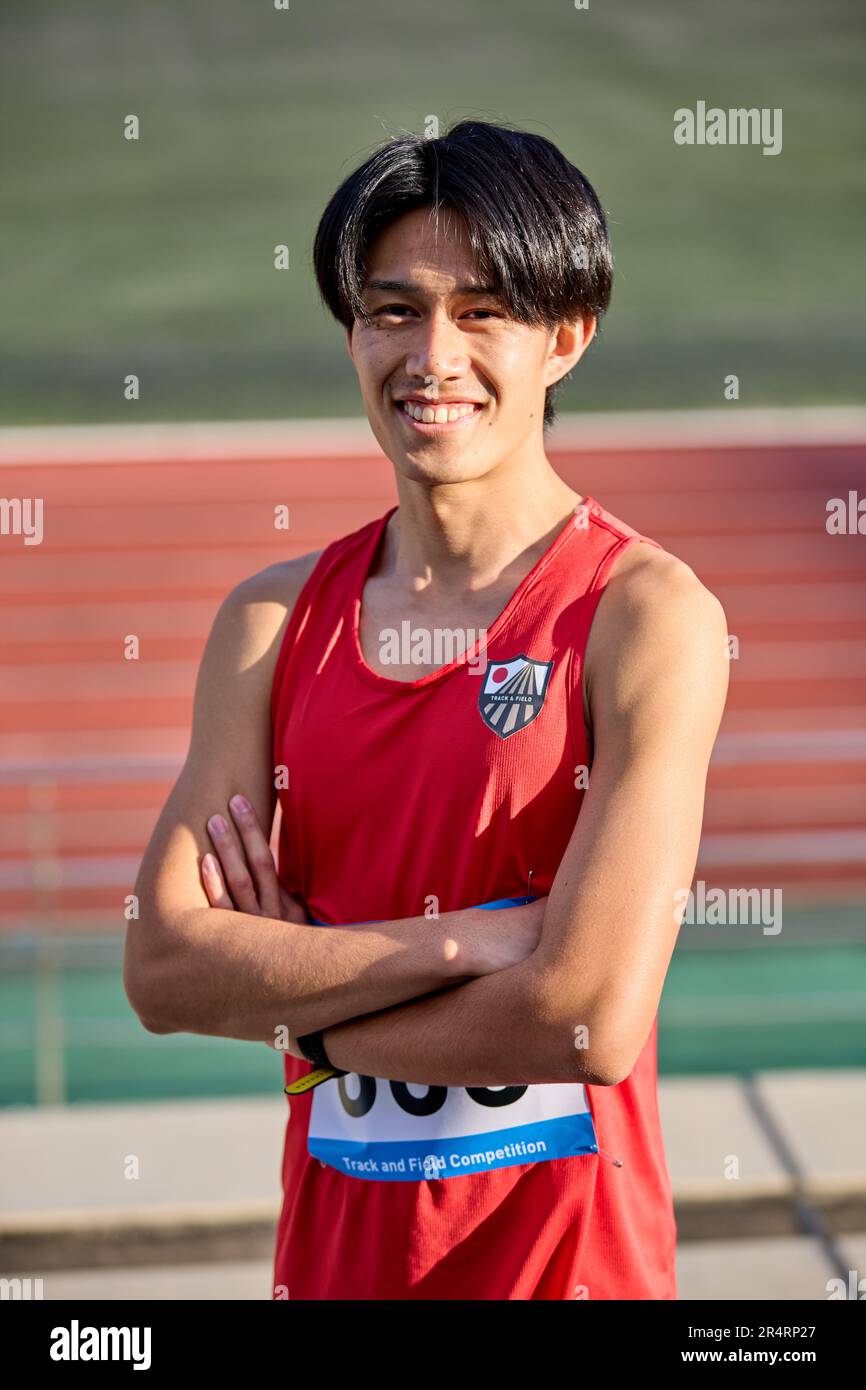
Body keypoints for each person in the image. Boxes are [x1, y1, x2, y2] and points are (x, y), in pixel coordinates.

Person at [125, 120, 729, 1300]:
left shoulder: (640, 614)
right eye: (392, 310)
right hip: (333, 1269)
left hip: (567, 1278)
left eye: (483, 312)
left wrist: (301, 1009)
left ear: (566, 338)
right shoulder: (269, 624)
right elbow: (161, 968)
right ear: (351, 333)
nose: (432, 356)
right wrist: (479, 941)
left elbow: (585, 1017)